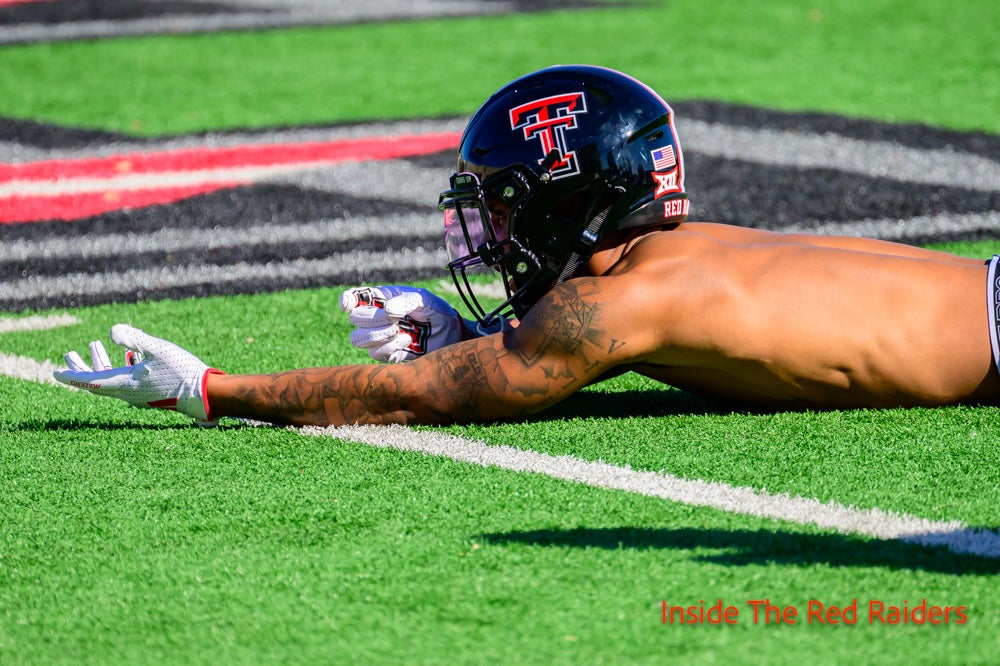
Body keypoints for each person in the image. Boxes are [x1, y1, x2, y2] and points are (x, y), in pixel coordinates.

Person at [53, 65, 1000, 426]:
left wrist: (213, 390)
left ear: (573, 194)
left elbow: (427, 397)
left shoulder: (623, 302)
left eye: (506, 205)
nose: (495, 229)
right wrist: (472, 327)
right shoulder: (678, 258)